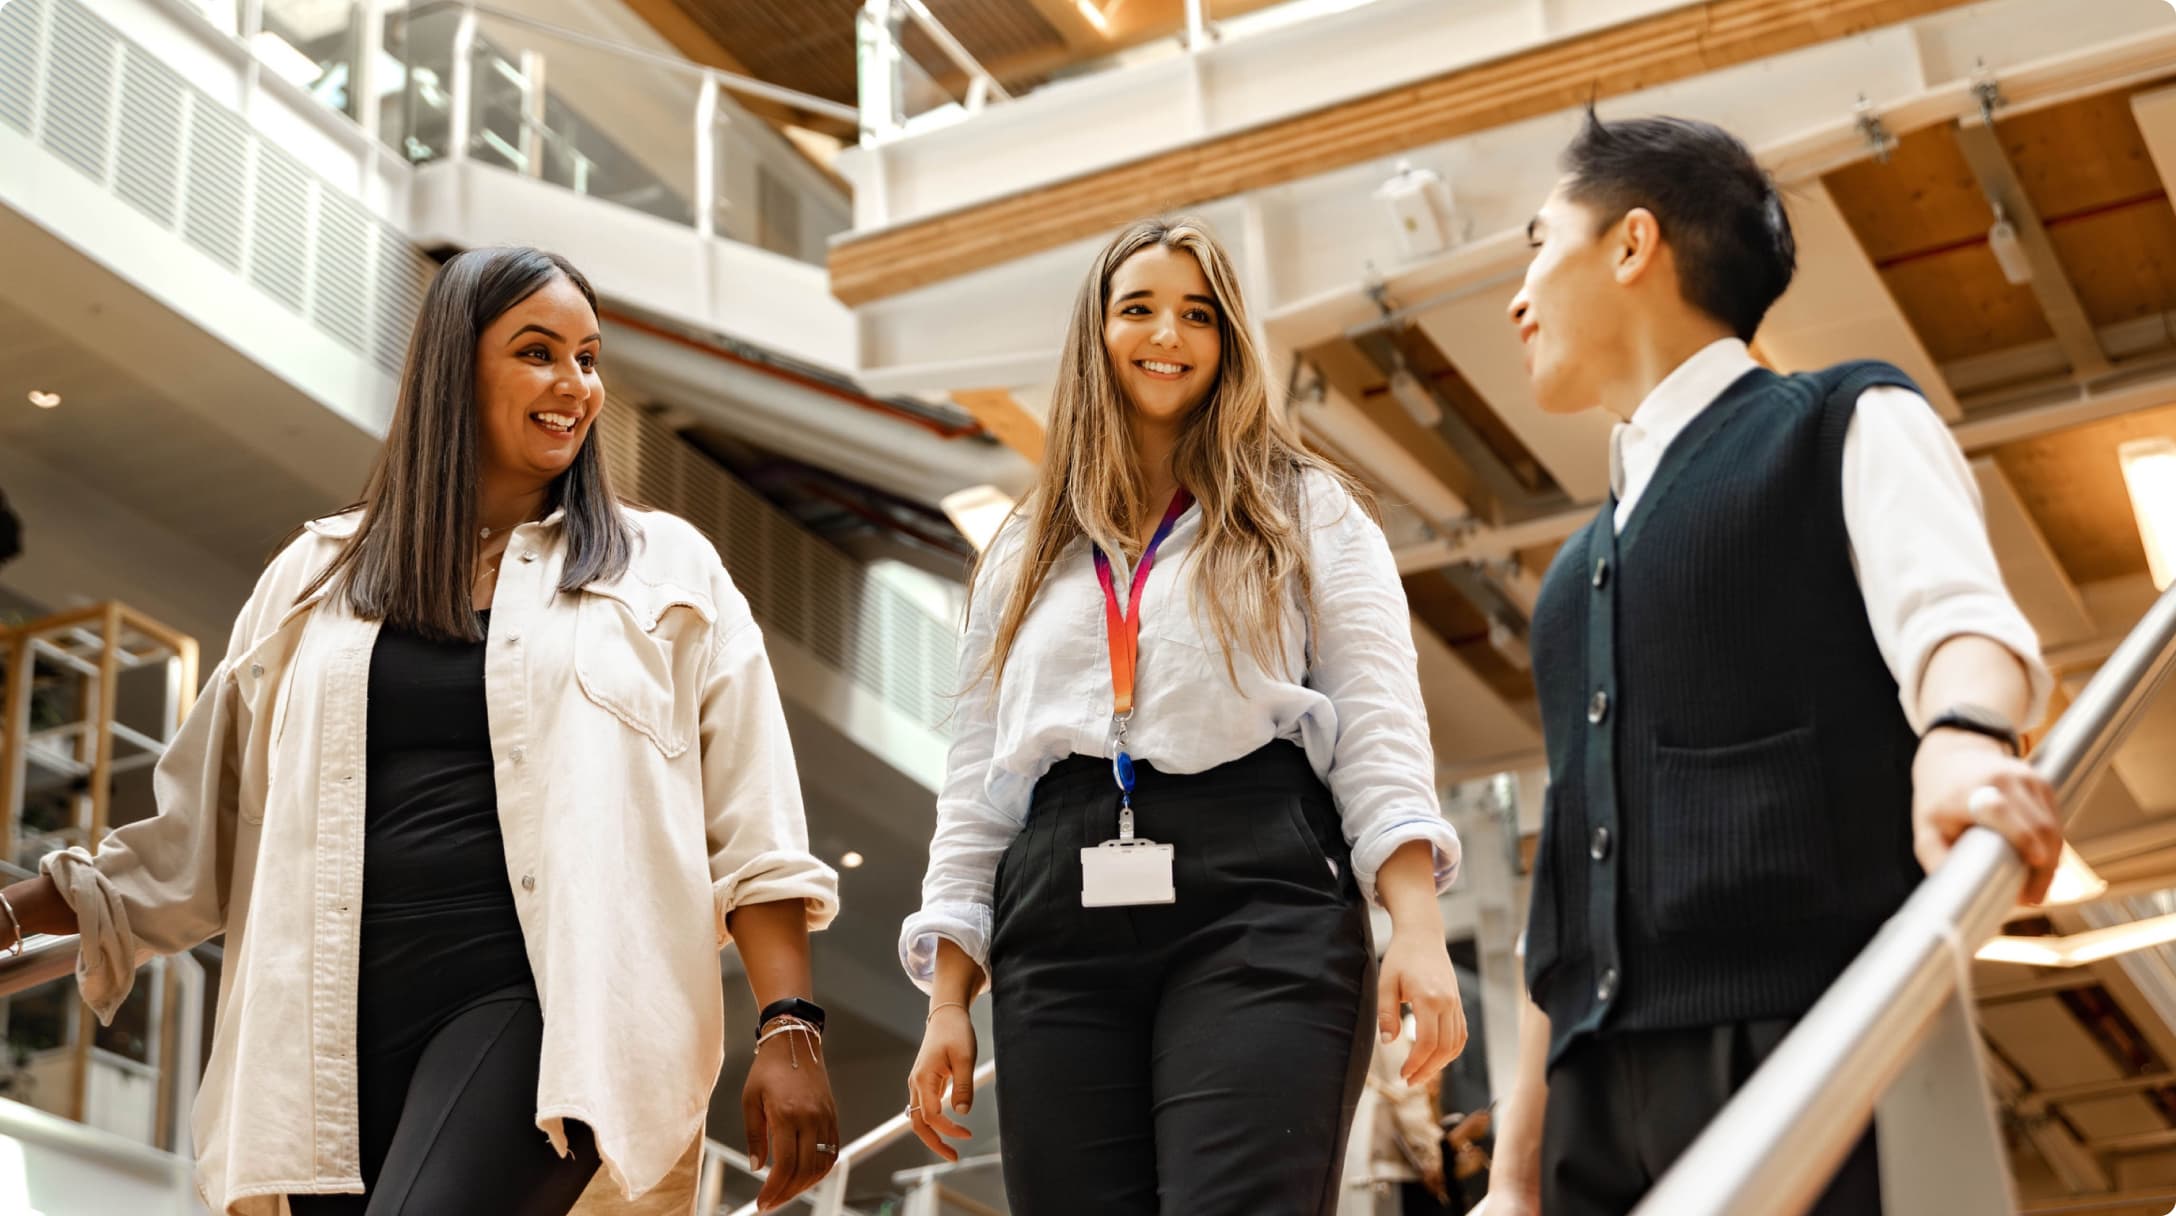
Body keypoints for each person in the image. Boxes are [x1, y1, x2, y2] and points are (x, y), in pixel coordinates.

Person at [0, 246, 843, 1216]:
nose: (575, 385)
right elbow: (197, 843)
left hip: (544, 1005)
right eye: (539, 353)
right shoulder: (312, 580)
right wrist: (15, 913)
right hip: (323, 1031)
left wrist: (790, 1025)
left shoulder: (666, 571)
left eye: (588, 357)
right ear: (454, 366)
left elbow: (755, 828)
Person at [1474, 111, 2063, 1216]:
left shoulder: (1839, 418)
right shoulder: (1568, 579)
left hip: (1798, 1041)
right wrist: (1513, 1174)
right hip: (1589, 1106)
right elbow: (1564, 878)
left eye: (1536, 245)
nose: (1517, 296)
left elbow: (1957, 615)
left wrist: (1963, 737)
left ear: (1633, 244)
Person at [898, 216, 1469, 1214]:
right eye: (1139, 309)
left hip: (1261, 897)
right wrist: (949, 996)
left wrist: (1417, 927)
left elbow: (1377, 724)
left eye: (1197, 314)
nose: (1168, 333)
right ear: (1096, 333)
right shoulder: (1026, 544)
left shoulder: (1308, 506)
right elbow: (979, 781)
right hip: (1057, 914)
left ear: (1229, 339)